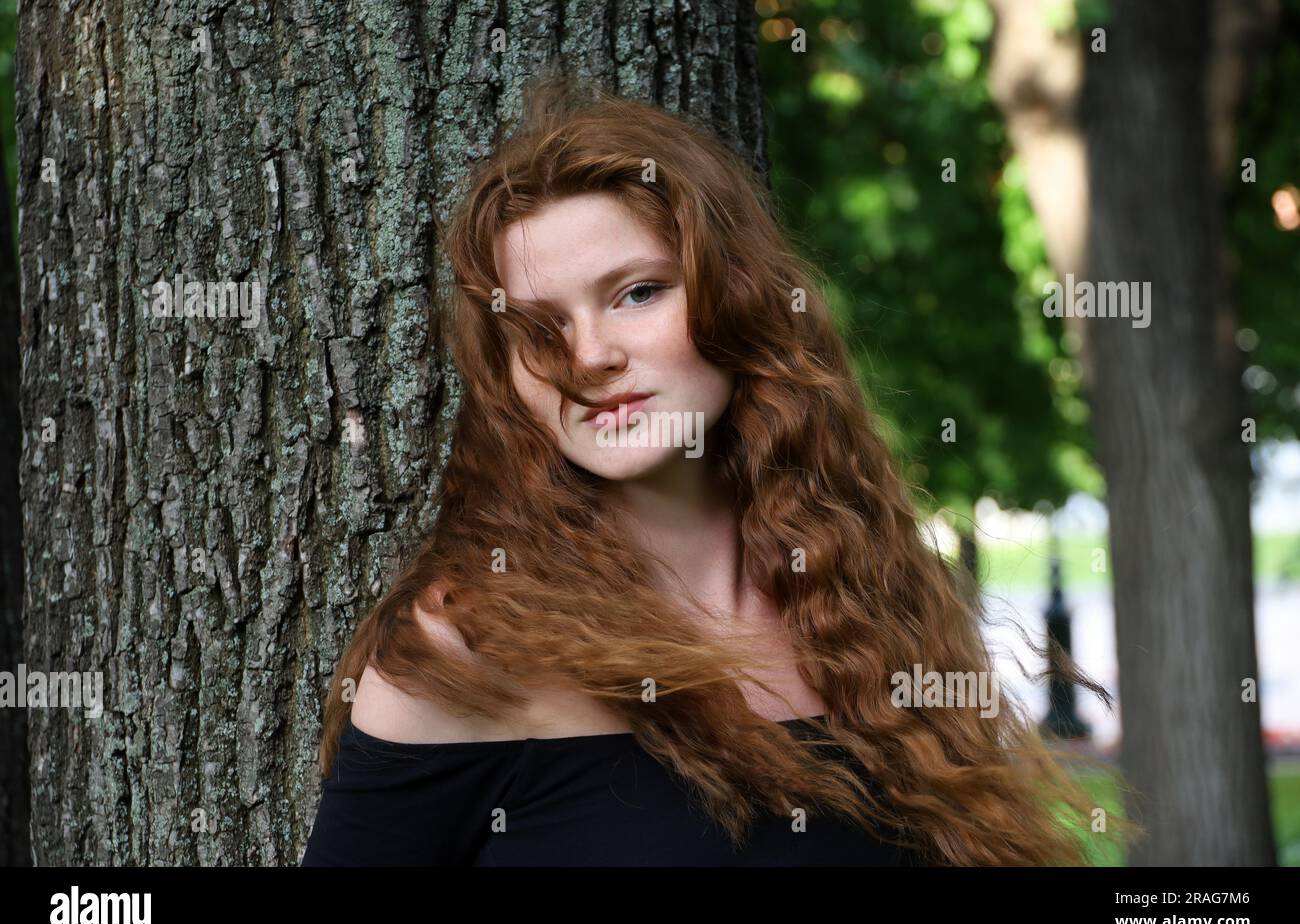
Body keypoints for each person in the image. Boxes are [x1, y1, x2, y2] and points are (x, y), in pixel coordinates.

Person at [301, 72, 1134, 867]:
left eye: (637, 293)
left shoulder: (868, 601)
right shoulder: (465, 655)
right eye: (539, 328)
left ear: (737, 297)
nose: (590, 356)